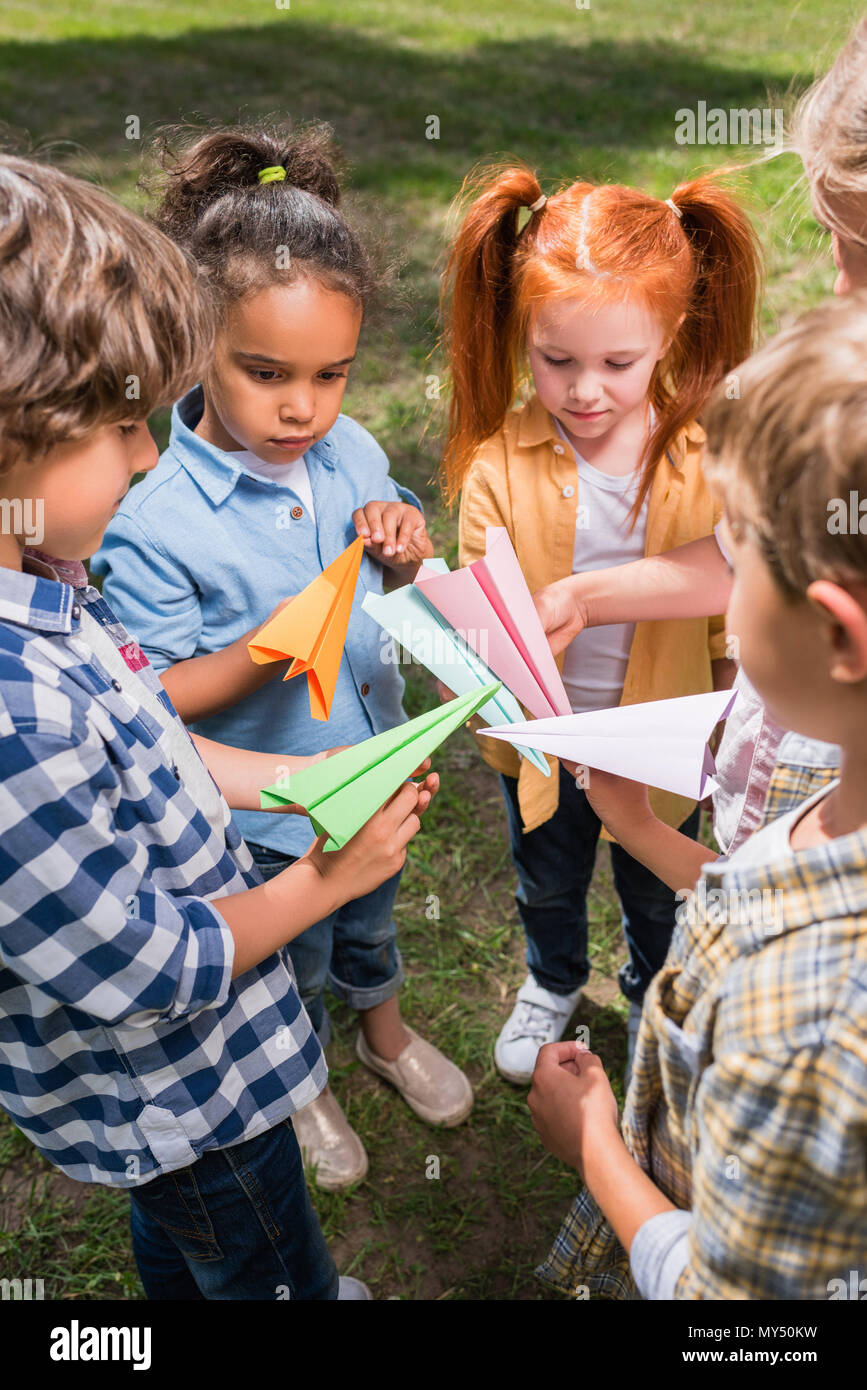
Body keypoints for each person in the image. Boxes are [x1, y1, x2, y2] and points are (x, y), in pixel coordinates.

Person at [0, 154, 436, 1299]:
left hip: (200, 1073)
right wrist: (326, 878)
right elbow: (150, 960)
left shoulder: (52, 582)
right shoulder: (17, 705)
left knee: (192, 1244)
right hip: (184, 1088)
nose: (147, 453)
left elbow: (147, 733)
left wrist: (304, 782)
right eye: (116, 427)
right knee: (260, 1250)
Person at [92, 123, 473, 1192]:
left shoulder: (345, 448)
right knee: (290, 958)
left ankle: (384, 1032)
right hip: (263, 814)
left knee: (370, 921)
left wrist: (402, 543)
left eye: (332, 374)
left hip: (375, 767)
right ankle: (298, 1074)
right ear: (196, 345)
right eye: (265, 374)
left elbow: (396, 560)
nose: (303, 407)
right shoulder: (152, 518)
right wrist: (266, 650)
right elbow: (152, 699)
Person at [530, 292, 867, 1300]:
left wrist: (596, 1149)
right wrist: (632, 824)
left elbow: (743, 1313)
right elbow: (760, 886)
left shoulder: (814, 1033)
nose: (726, 570)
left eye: (744, 553)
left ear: (840, 634)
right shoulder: (838, 809)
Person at [438, 161, 761, 1081]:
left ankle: (648, 992)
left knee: (656, 887)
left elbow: (725, 614)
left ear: (670, 336)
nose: (584, 390)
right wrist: (479, 646)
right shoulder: (500, 464)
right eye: (556, 361)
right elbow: (482, 607)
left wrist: (728, 706)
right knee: (546, 877)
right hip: (538, 747)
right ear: (520, 338)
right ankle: (552, 979)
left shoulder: (703, 463)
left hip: (660, 741)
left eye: (618, 364)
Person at [529, 14, 867, 872]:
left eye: (862, 253)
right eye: (835, 241)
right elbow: (741, 555)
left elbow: (759, 914)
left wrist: (642, 833)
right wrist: (588, 597)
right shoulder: (840, 419)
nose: (837, 283)